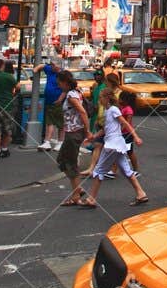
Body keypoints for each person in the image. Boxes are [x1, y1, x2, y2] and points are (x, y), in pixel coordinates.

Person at [82, 93, 148, 208]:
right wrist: (93, 137)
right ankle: (141, 193)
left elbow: (125, 123)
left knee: (98, 171)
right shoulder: (108, 111)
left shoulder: (113, 109)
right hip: (116, 145)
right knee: (127, 170)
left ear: (107, 98)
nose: (99, 100)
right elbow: (105, 129)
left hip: (112, 145)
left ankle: (91, 199)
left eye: (101, 97)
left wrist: (136, 137)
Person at [55, 71, 91, 207]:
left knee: (70, 163)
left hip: (74, 132)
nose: (58, 86)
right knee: (62, 160)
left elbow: (82, 111)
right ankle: (78, 189)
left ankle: (76, 195)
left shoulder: (71, 95)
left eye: (59, 83)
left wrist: (87, 131)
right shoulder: (76, 91)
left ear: (65, 82)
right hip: (74, 131)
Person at [40, 59, 63, 150]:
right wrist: (36, 69)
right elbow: (42, 66)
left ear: (58, 66)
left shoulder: (62, 74)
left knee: (60, 123)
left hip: (59, 102)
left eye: (53, 65)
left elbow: (66, 88)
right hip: (49, 101)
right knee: (50, 122)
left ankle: (60, 142)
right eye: (51, 65)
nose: (52, 67)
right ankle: (47, 141)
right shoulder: (50, 70)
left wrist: (60, 99)